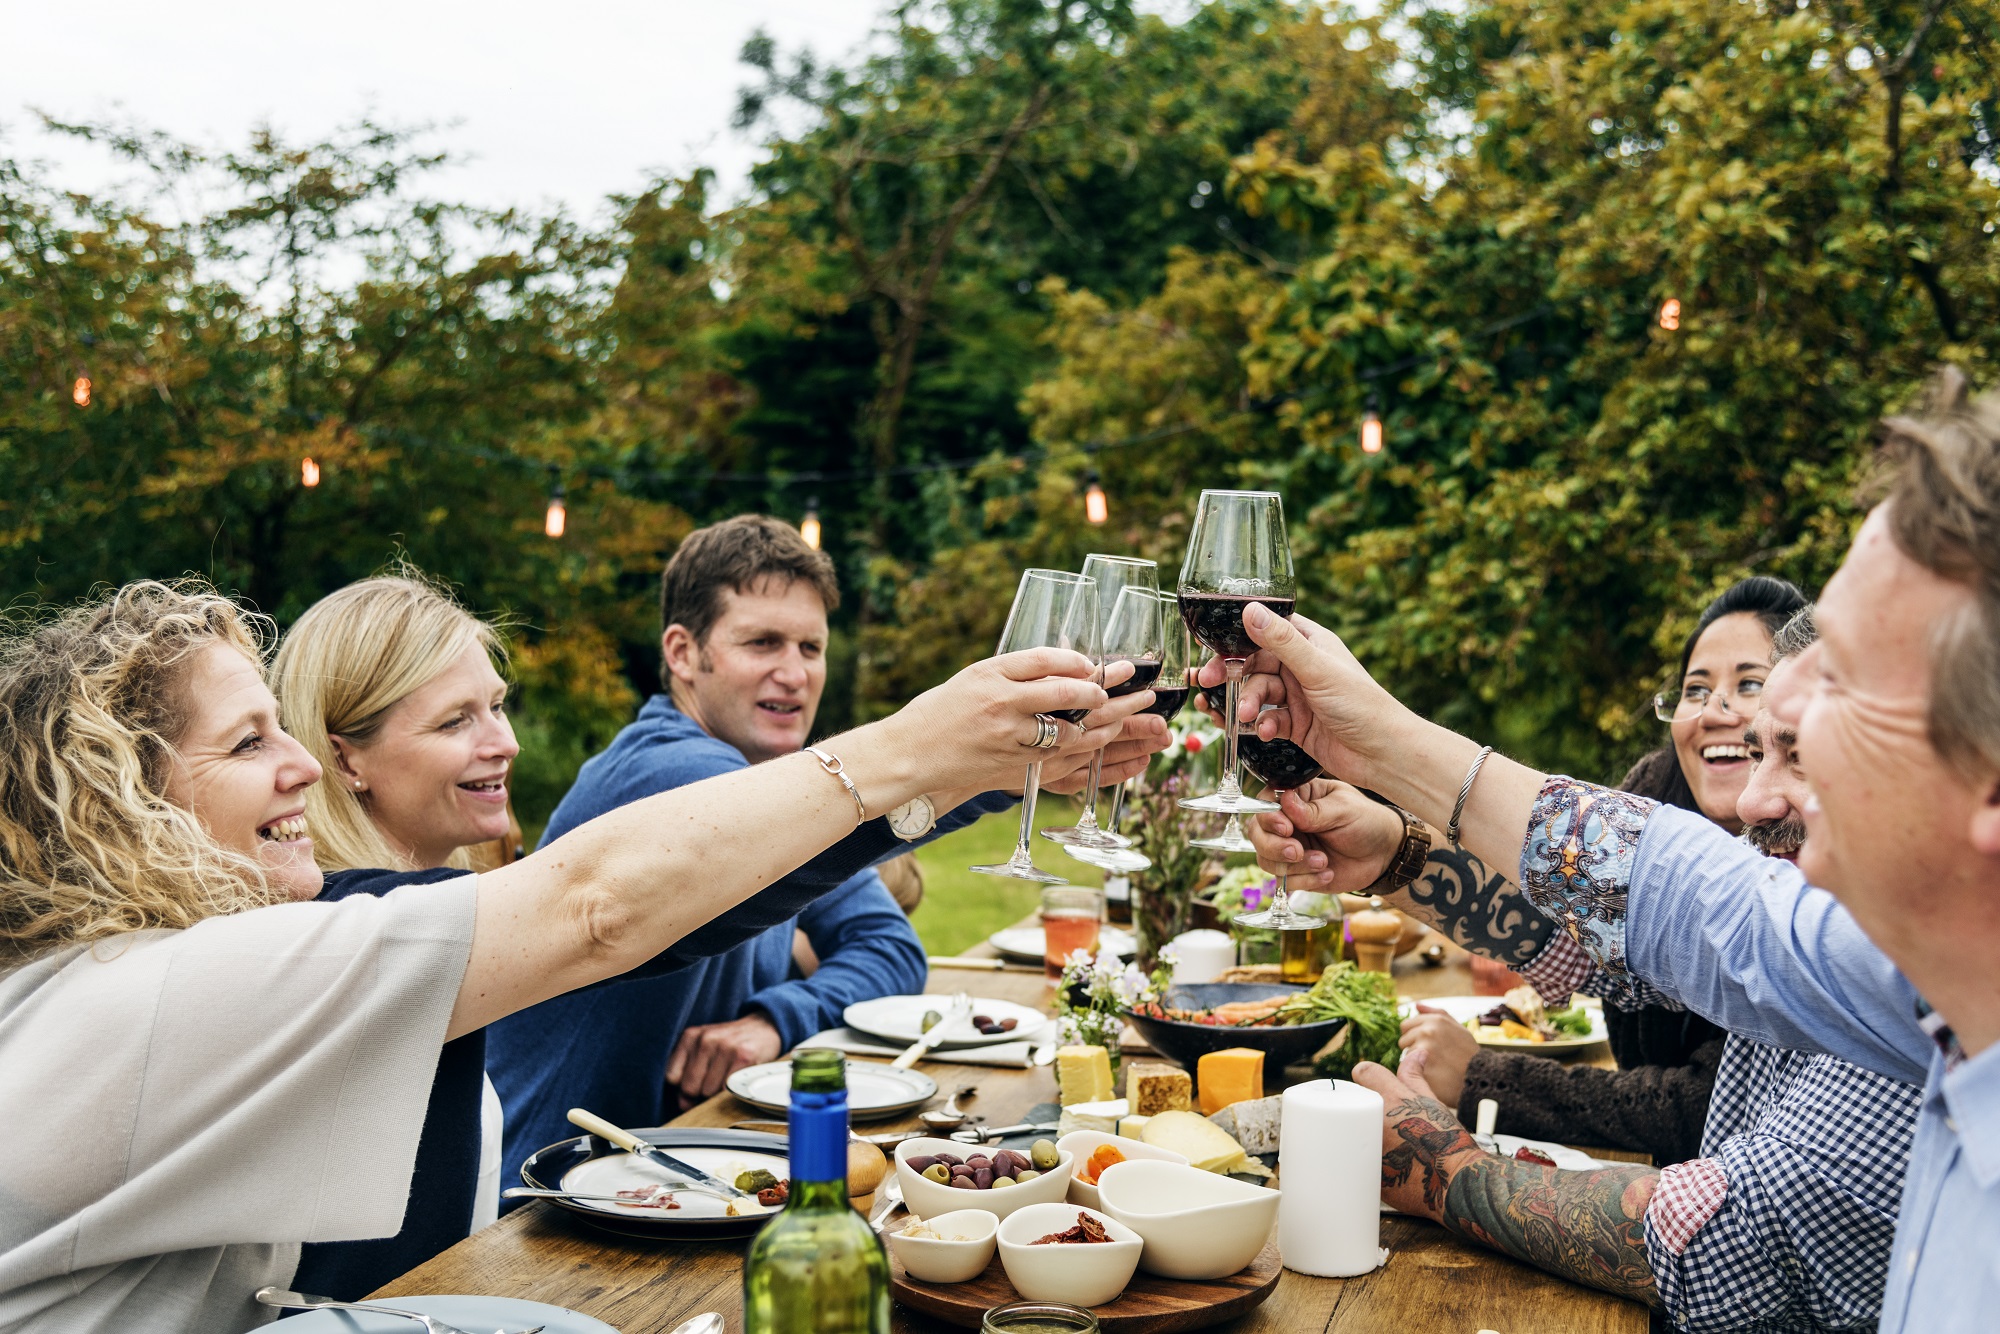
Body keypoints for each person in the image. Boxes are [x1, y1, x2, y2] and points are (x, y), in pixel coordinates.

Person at [0, 577, 1140, 1333]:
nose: (297, 763)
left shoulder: (170, 960)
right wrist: (910, 747)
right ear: (120, 803)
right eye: (251, 741)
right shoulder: (168, 990)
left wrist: (963, 777)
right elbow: (599, 910)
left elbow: (667, 917)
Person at [1210, 366, 2000, 1329]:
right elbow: (1654, 917)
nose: (1756, 766)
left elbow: (1723, 1234)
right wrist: (1396, 839)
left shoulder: (1908, 1017)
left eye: (1842, 684)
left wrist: (1441, 1163)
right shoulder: (1899, 971)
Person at [1269, 604, 1924, 1328]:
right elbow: (1617, 946)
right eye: (1700, 691)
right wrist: (1402, 859)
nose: (1753, 800)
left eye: (1800, 756)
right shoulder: (1823, 891)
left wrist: (1444, 1170)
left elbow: (1721, 1240)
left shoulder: (1932, 978)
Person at [485, 517, 1169, 1189]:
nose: (793, 673)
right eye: (763, 643)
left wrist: (770, 1020)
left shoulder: (783, 814)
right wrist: (989, 771)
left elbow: (888, 949)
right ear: (683, 653)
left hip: (684, 1164)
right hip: (548, 1189)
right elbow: (851, 825)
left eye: (810, 649)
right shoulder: (670, 774)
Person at [1400, 579, 1809, 1168]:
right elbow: (1580, 951)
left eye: (1750, 684)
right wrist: (1398, 858)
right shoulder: (1654, 793)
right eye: (1695, 689)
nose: (1713, 710)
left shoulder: (1818, 876)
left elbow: (1702, 1109)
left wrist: (1483, 1077)